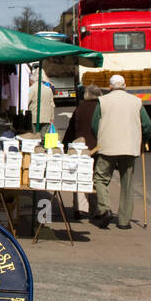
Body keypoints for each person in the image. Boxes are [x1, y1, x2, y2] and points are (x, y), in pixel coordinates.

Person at [91, 73, 151, 229]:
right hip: (129, 147)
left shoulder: (102, 101)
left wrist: (101, 137)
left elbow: (94, 125)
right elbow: (148, 126)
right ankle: (124, 221)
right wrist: (142, 141)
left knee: (100, 178)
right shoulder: (136, 101)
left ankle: (105, 209)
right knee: (127, 183)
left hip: (107, 147)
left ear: (110, 86)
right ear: (125, 86)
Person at [62, 83, 101, 221]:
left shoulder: (80, 108)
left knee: (80, 177)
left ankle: (80, 208)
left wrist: (65, 145)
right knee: (96, 177)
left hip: (81, 147)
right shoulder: (102, 108)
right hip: (98, 147)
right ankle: (96, 209)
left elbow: (72, 128)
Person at [27, 66, 56, 137]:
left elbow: (27, 101)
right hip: (46, 118)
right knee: (44, 138)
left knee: (35, 137)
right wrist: (52, 118)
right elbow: (52, 105)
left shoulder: (32, 89)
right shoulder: (48, 89)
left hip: (34, 118)